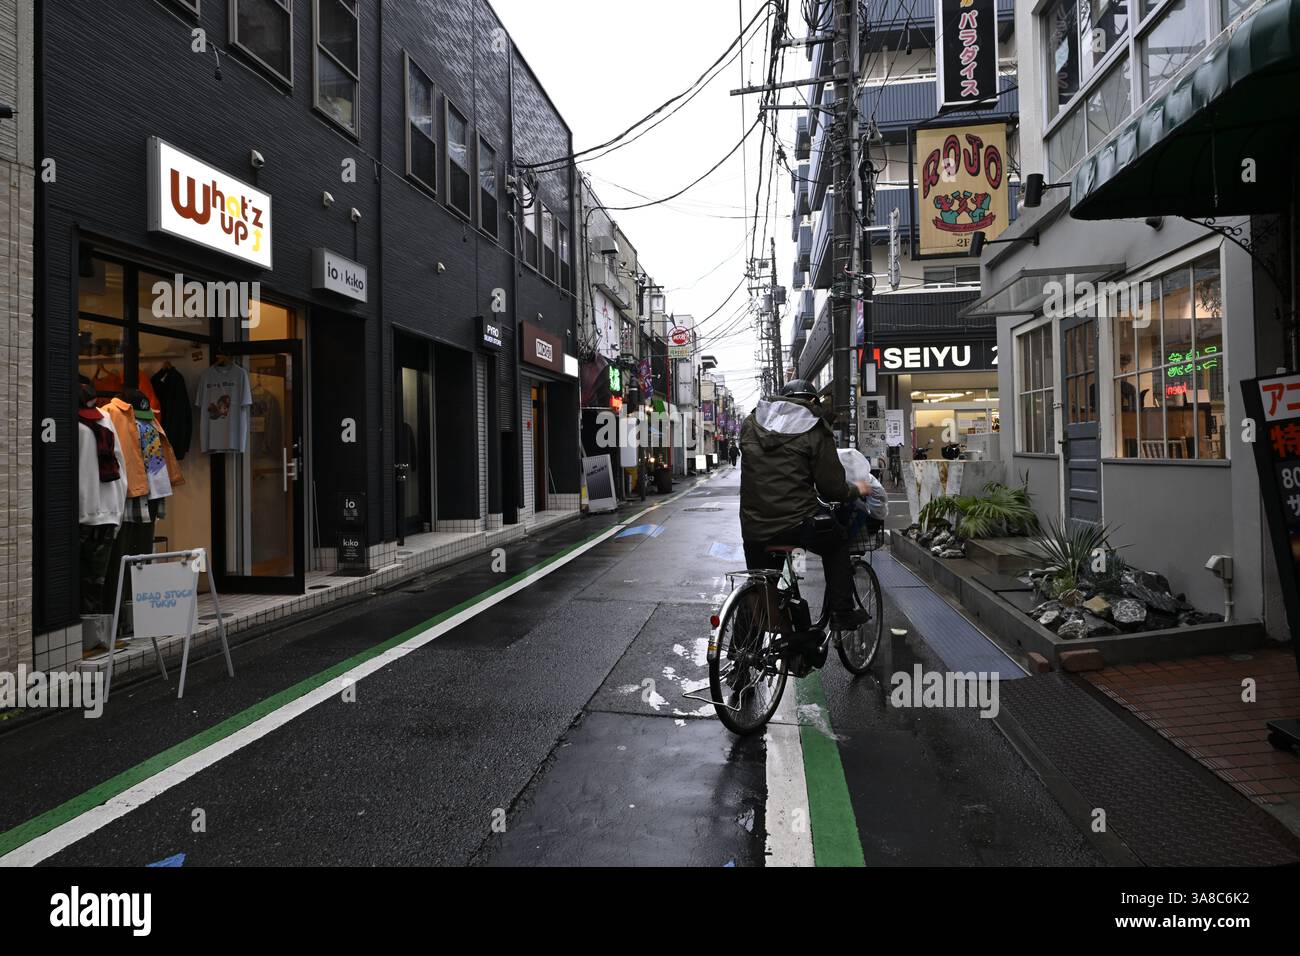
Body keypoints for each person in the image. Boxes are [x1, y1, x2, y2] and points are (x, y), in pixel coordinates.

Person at [739, 379, 873, 631]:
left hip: (753, 525)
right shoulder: (814, 426)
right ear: (812, 402)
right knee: (837, 543)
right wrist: (857, 489)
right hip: (795, 522)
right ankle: (842, 612)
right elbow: (831, 488)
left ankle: (742, 658)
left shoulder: (751, 423)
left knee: (760, 587)